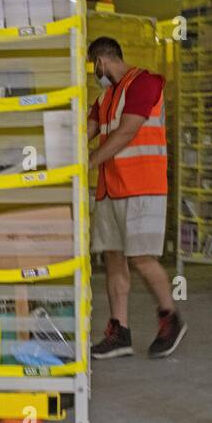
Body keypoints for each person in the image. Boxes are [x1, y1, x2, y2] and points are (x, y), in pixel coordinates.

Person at [87, 36, 186, 359]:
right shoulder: (105, 97)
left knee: (142, 258)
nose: (95, 72)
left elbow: (128, 131)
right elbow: (82, 130)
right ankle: (120, 331)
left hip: (142, 187)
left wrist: (88, 161)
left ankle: (170, 318)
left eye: (93, 66)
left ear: (102, 61)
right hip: (110, 188)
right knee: (113, 257)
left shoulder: (145, 83)